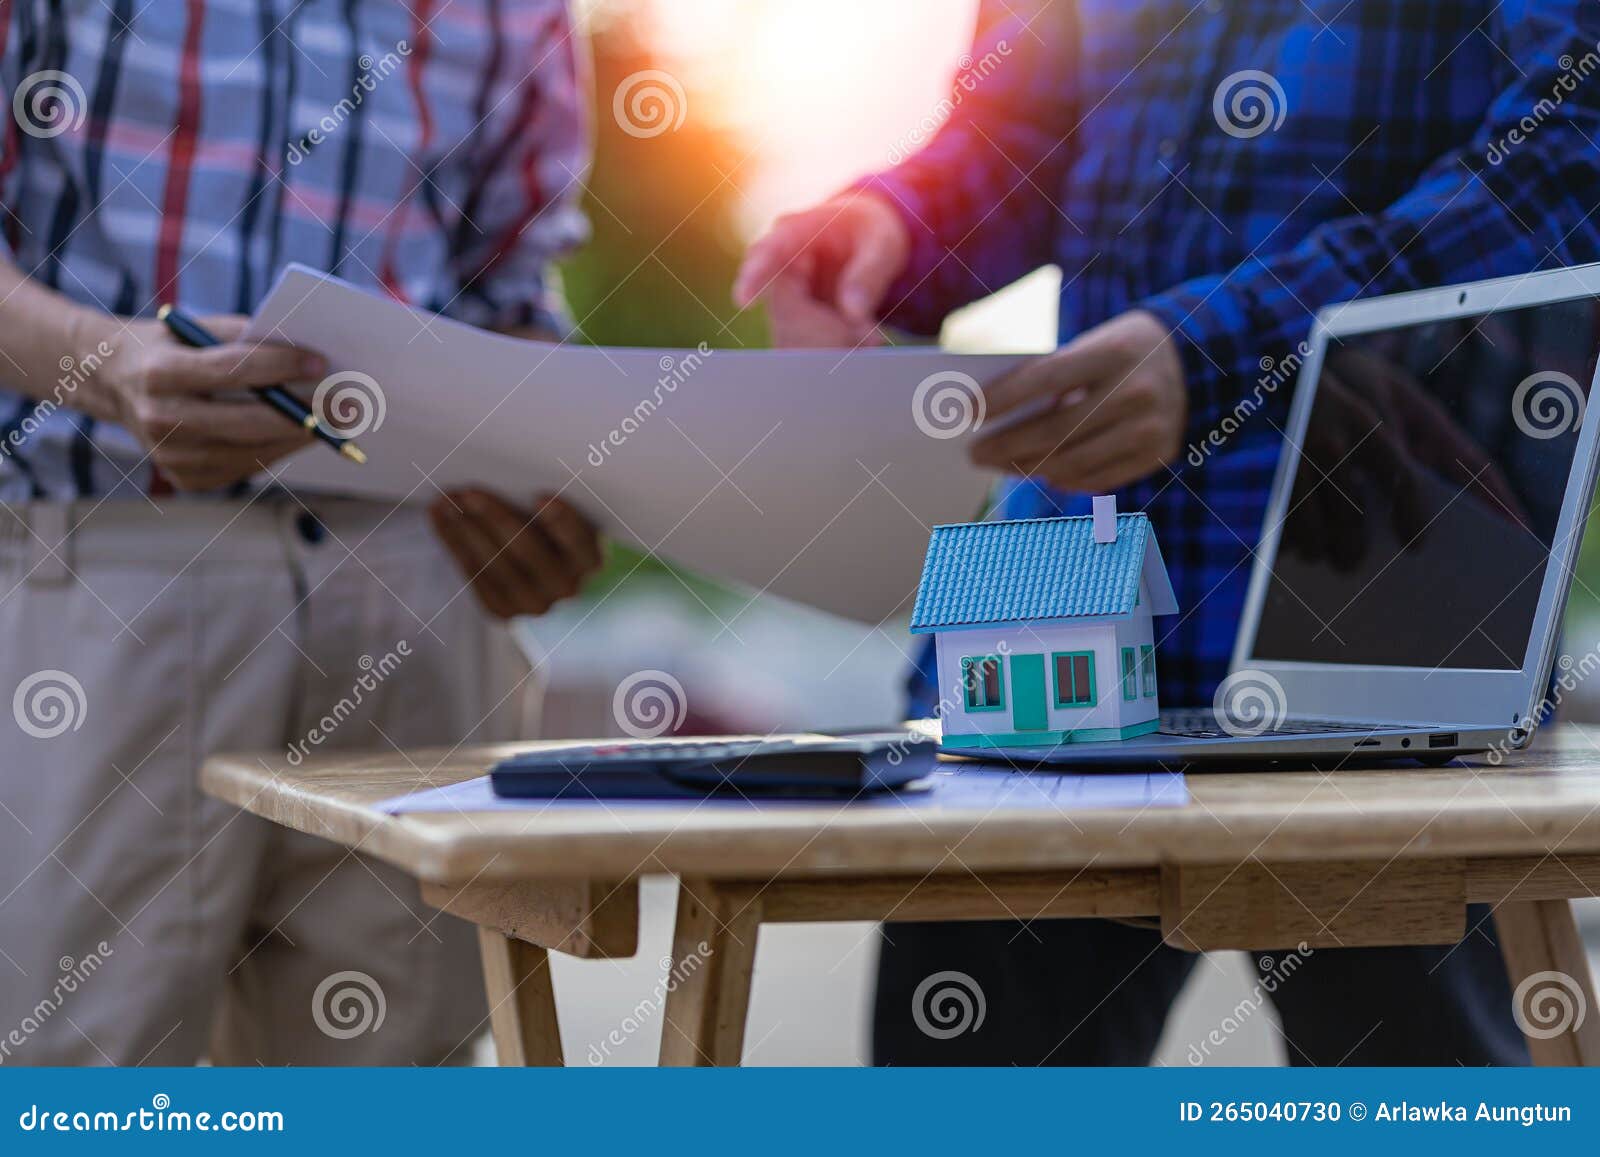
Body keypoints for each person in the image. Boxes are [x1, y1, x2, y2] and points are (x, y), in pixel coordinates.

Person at [735, 0, 1600, 1065]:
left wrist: (1227, 350)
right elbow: (1019, 132)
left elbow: (1571, 153)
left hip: (1385, 619)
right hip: (1056, 610)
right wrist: (896, 224)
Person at [0, 0, 602, 1065]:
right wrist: (106, 364)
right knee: (78, 1068)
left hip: (416, 576)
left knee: (395, 1075)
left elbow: (510, 284)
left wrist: (539, 474)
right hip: (102, 569)